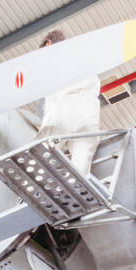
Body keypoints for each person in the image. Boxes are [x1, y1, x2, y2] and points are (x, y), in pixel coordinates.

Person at [35, 29, 101, 176]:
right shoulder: (84, 62)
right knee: (81, 167)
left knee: (42, 155)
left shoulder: (53, 61)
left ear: (48, 43)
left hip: (62, 108)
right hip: (89, 116)